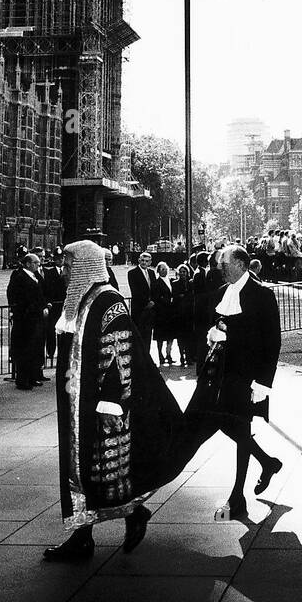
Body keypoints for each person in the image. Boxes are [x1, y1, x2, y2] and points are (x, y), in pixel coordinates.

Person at [42, 240, 191, 562]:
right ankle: (84, 535)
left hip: (101, 407)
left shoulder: (107, 301)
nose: (63, 272)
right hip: (76, 403)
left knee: (102, 470)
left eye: (68, 266)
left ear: (83, 267)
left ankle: (130, 515)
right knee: (82, 470)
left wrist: (109, 403)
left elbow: (120, 356)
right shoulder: (77, 301)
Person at [185, 246, 283, 521]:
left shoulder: (262, 294)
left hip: (245, 376)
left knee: (239, 426)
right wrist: (212, 336)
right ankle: (267, 462)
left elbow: (271, 341)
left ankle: (238, 496)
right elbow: (214, 327)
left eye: (224, 263)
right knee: (228, 424)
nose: (220, 268)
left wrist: (263, 383)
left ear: (240, 264)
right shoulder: (220, 293)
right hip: (218, 375)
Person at [7, 253, 48, 390]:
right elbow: (15, 297)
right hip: (25, 320)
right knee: (24, 350)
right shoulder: (19, 277)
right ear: (28, 264)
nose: (38, 265)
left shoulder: (35, 277)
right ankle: (22, 380)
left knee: (33, 349)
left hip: (35, 319)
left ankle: (32, 376)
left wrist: (44, 306)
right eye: (36, 263)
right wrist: (22, 312)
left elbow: (41, 295)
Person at [41, 251, 67, 366]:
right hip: (54, 305)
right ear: (54, 259)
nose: (60, 260)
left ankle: (62, 352)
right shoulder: (49, 272)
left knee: (63, 330)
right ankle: (50, 352)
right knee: (51, 330)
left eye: (61, 258)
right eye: (58, 258)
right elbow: (47, 288)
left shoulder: (67, 271)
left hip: (64, 304)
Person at [128, 252, 157, 353]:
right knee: (138, 335)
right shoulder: (132, 273)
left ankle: (147, 358)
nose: (144, 262)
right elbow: (135, 291)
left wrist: (153, 301)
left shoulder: (152, 273)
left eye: (147, 261)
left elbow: (154, 289)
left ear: (150, 262)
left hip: (150, 310)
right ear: (139, 260)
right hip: (139, 309)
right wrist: (146, 303)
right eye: (142, 260)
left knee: (148, 335)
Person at [152, 260, 177, 365]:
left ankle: (169, 354)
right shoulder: (157, 282)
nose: (164, 271)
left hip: (170, 312)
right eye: (162, 269)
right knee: (160, 337)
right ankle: (160, 355)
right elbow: (157, 297)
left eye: (165, 268)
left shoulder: (171, 280)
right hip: (161, 313)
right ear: (158, 271)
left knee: (170, 336)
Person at [173, 263, 195, 365]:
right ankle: (182, 356)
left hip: (189, 314)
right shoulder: (175, 283)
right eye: (181, 272)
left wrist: (184, 296)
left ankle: (189, 356)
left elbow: (191, 296)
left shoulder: (191, 283)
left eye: (184, 272)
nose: (182, 274)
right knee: (180, 338)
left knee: (189, 337)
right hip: (179, 314)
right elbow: (176, 296)